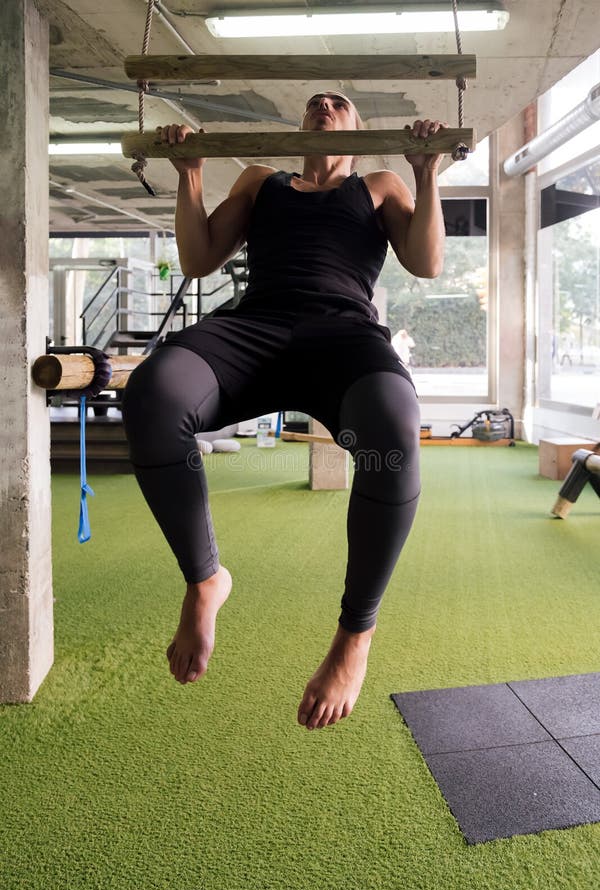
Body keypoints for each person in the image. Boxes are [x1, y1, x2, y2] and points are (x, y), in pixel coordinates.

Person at [122, 92, 446, 731]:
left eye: (339, 102)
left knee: (394, 432)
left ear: (355, 128)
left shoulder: (377, 186)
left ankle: (356, 632)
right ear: (304, 124)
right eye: (315, 101)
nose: (324, 103)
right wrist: (189, 177)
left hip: (342, 337)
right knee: (153, 393)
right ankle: (205, 578)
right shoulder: (258, 181)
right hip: (254, 330)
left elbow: (426, 261)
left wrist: (426, 172)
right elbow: (197, 259)